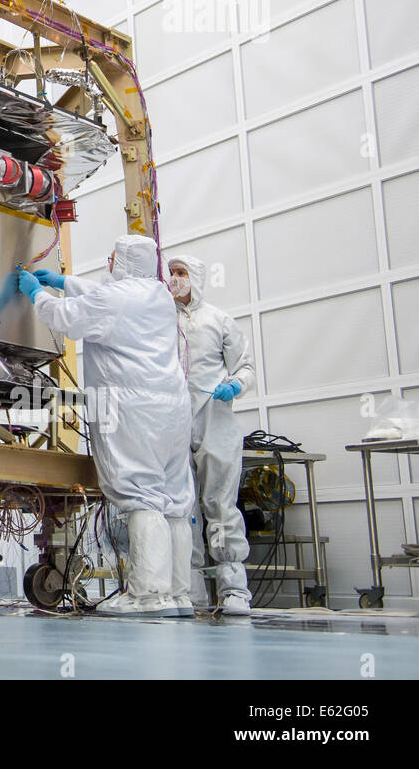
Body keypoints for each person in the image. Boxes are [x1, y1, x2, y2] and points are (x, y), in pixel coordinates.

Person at [15, 235, 194, 616]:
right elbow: (108, 296)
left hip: (132, 408)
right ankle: (178, 594)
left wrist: (37, 294)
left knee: (140, 494)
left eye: (114, 257)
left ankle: (147, 595)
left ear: (126, 262)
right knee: (175, 499)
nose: (109, 262)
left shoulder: (112, 300)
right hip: (173, 409)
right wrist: (64, 282)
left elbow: (67, 318)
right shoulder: (160, 295)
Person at [167, 254, 257, 617]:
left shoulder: (219, 320)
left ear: (197, 278)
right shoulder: (162, 319)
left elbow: (246, 366)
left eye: (182, 273)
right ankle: (193, 589)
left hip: (214, 416)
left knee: (219, 504)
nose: (175, 279)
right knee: (185, 509)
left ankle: (233, 588)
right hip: (175, 419)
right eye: (171, 273)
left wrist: (235, 385)